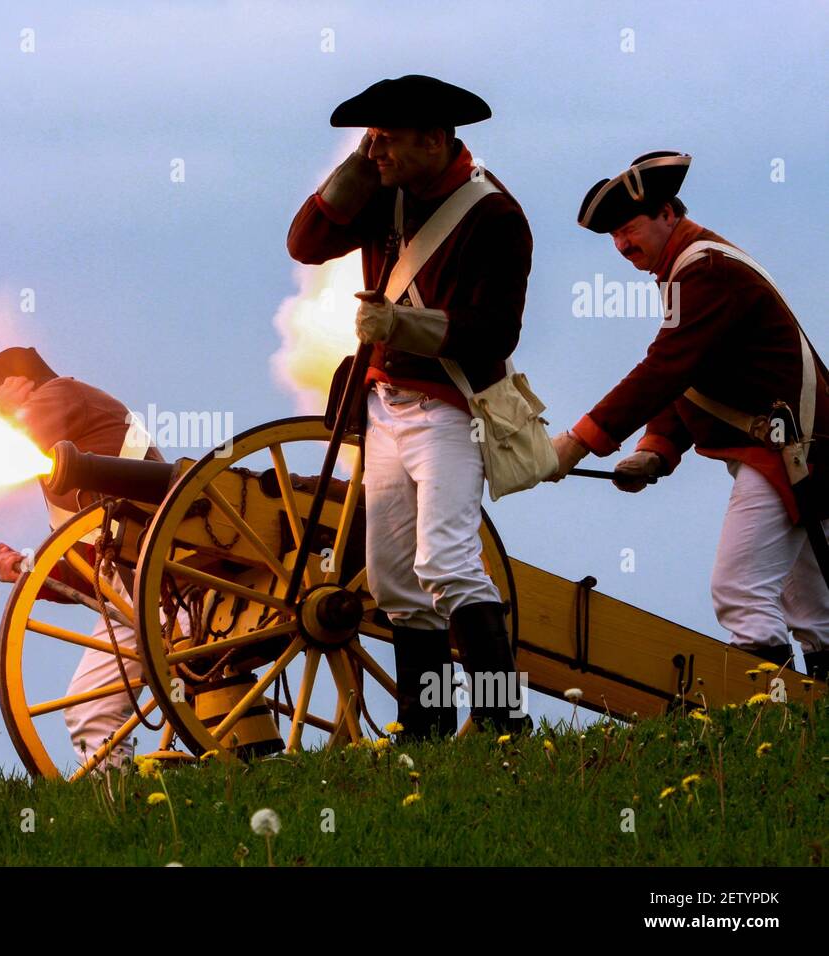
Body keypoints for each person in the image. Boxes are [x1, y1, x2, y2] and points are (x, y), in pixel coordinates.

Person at [286, 75, 534, 736]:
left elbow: (494, 333)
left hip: (450, 408)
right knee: (395, 579)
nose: (379, 152)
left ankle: (504, 722)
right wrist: (356, 167)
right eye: (373, 140)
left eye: (389, 139)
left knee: (448, 563)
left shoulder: (495, 216)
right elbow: (306, 244)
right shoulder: (382, 190)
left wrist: (403, 329)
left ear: (434, 139)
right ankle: (425, 728)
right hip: (383, 405)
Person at [549, 151, 829, 680]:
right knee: (816, 611)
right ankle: (804, 731)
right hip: (795, 451)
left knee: (740, 590)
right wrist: (657, 448)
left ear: (668, 214)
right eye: (614, 238)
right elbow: (692, 375)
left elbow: (666, 368)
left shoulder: (704, 270)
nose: (623, 246)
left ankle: (761, 719)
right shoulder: (689, 270)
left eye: (629, 229)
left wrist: (578, 441)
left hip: (789, 454)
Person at [0, 347, 162, 766]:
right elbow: (90, 575)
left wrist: (7, 413)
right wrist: (28, 568)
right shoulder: (61, 475)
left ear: (19, 385)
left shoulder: (60, 394)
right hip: (131, 586)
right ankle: (118, 810)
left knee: (207, 687)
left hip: (175, 569)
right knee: (90, 709)